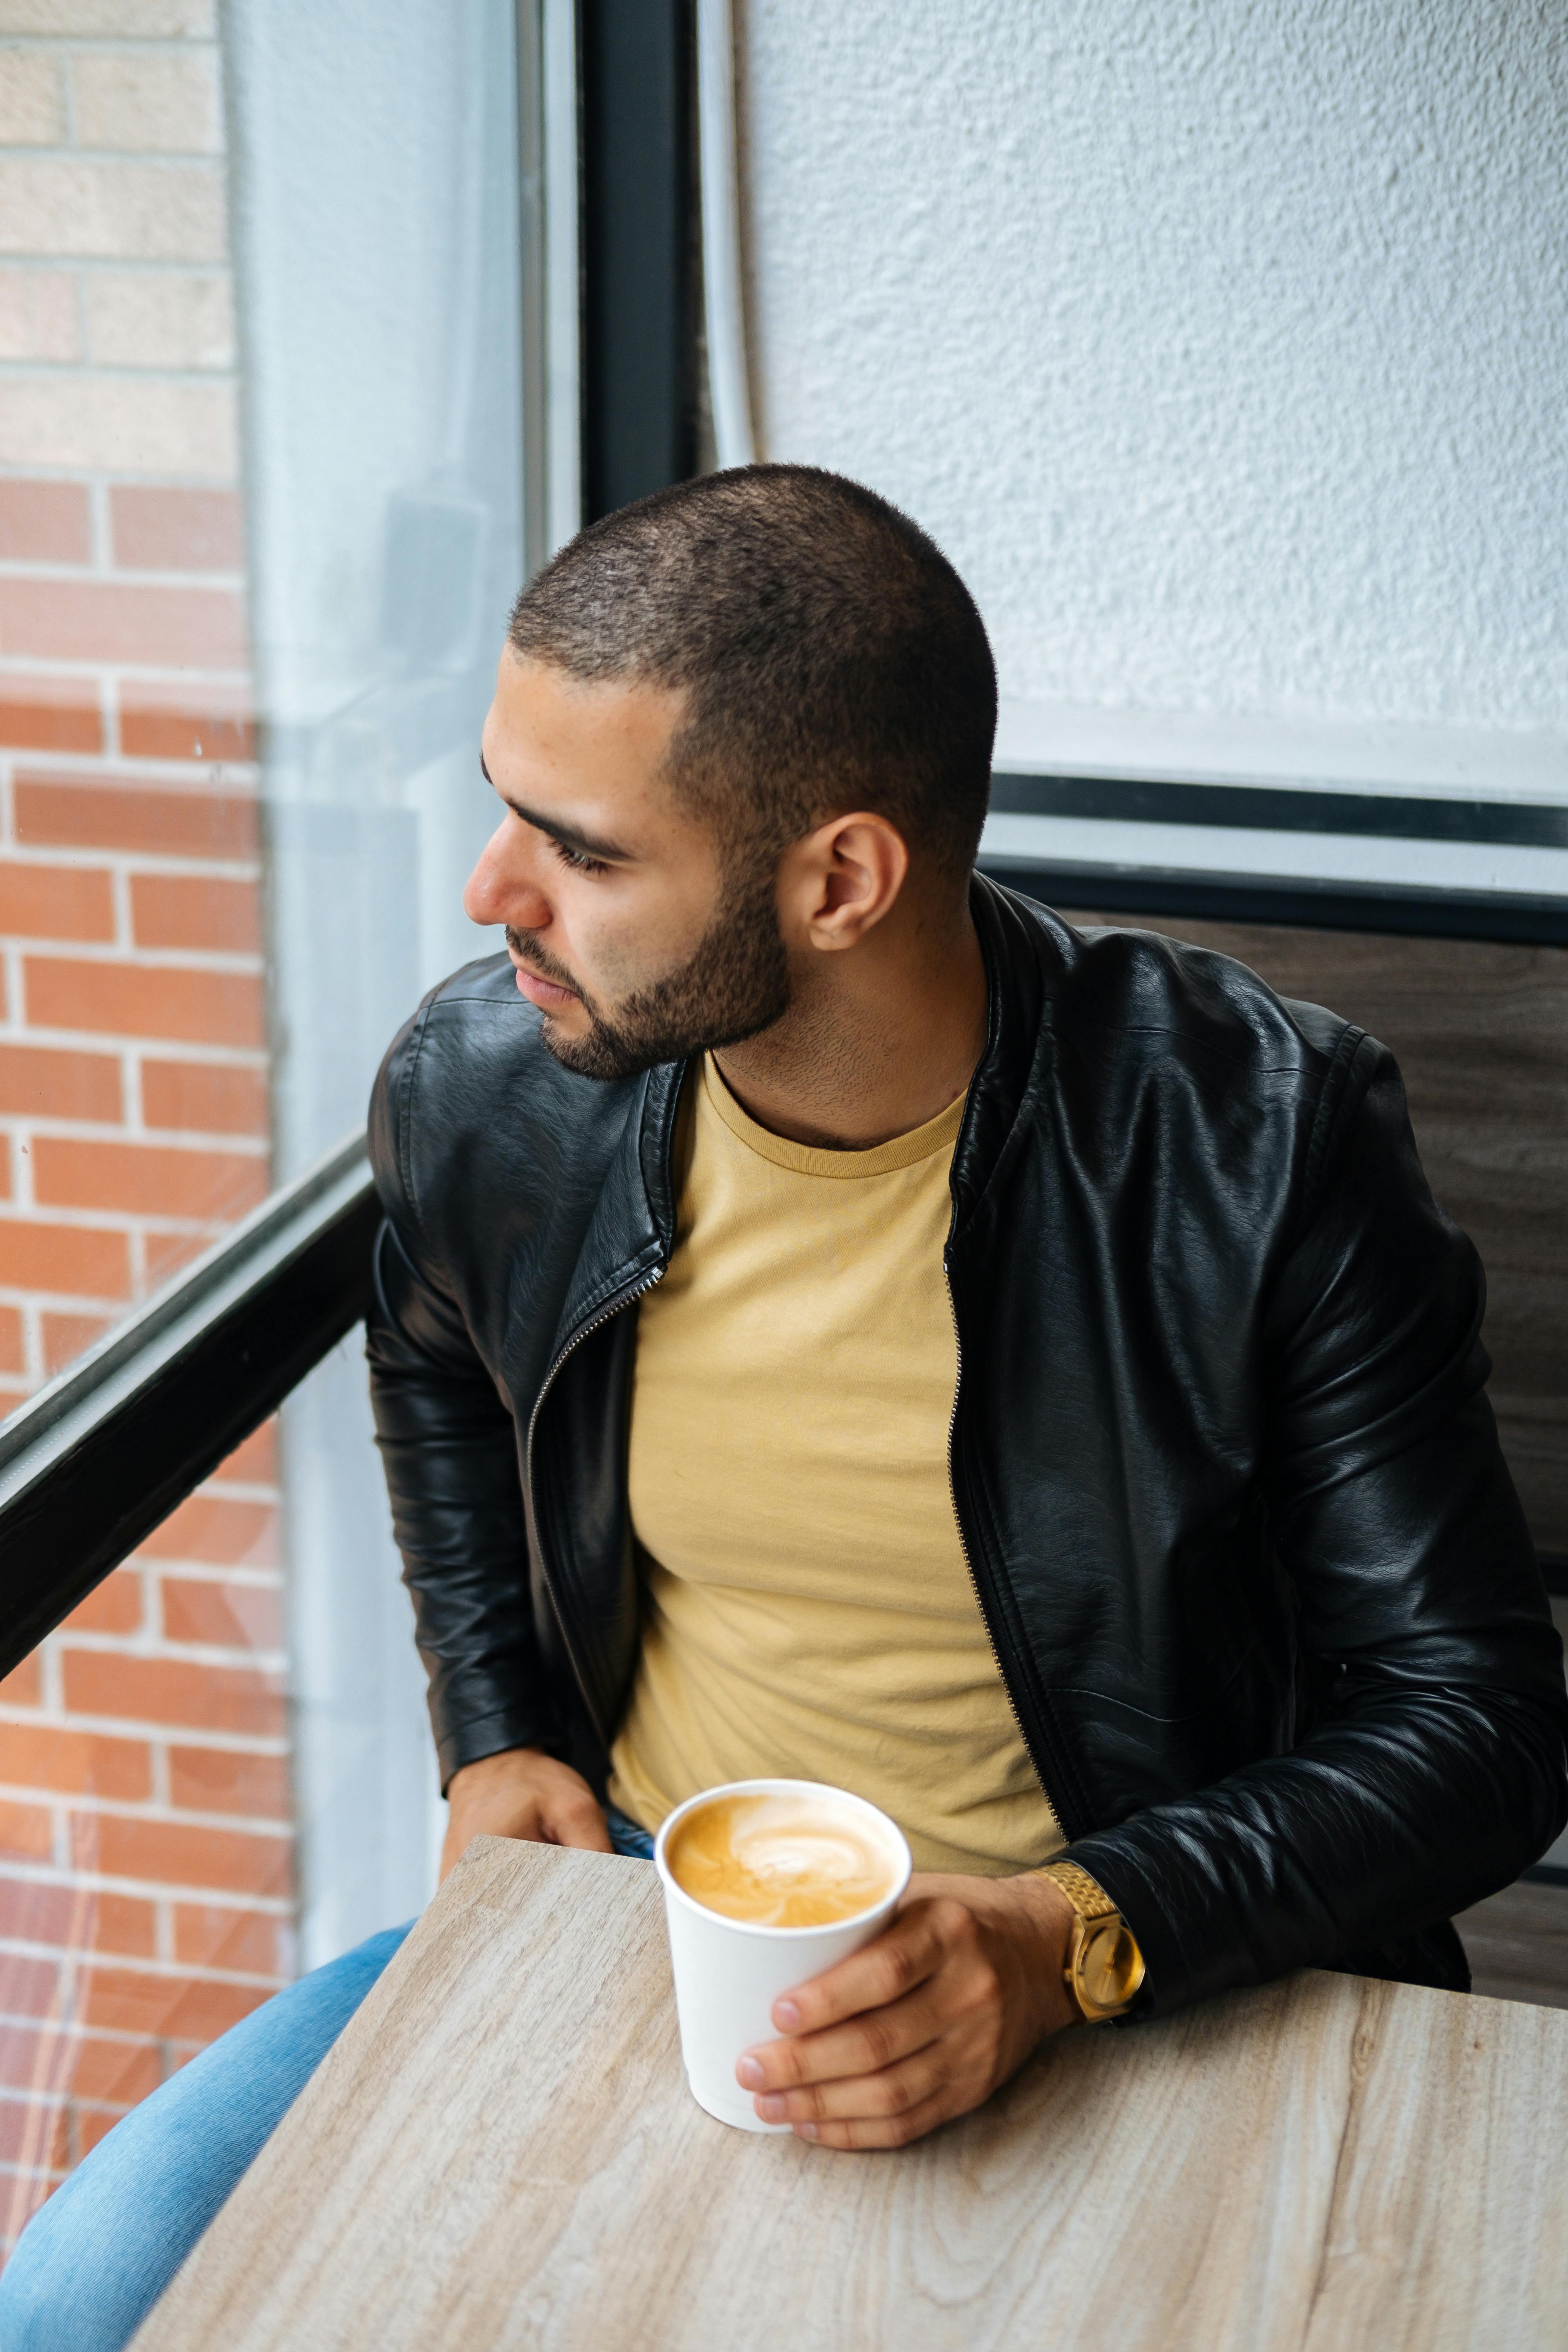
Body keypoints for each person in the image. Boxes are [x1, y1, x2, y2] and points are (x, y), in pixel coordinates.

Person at [5, 465, 1564, 2346]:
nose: (489, 892)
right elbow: (432, 1365)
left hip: (1125, 1933)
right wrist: (495, 1731)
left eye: (580, 852)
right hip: (660, 1901)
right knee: (83, 2299)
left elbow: (1478, 1726)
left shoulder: (1256, 1142)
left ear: (838, 879)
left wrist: (1062, 1939)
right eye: (508, 811)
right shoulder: (489, 1087)